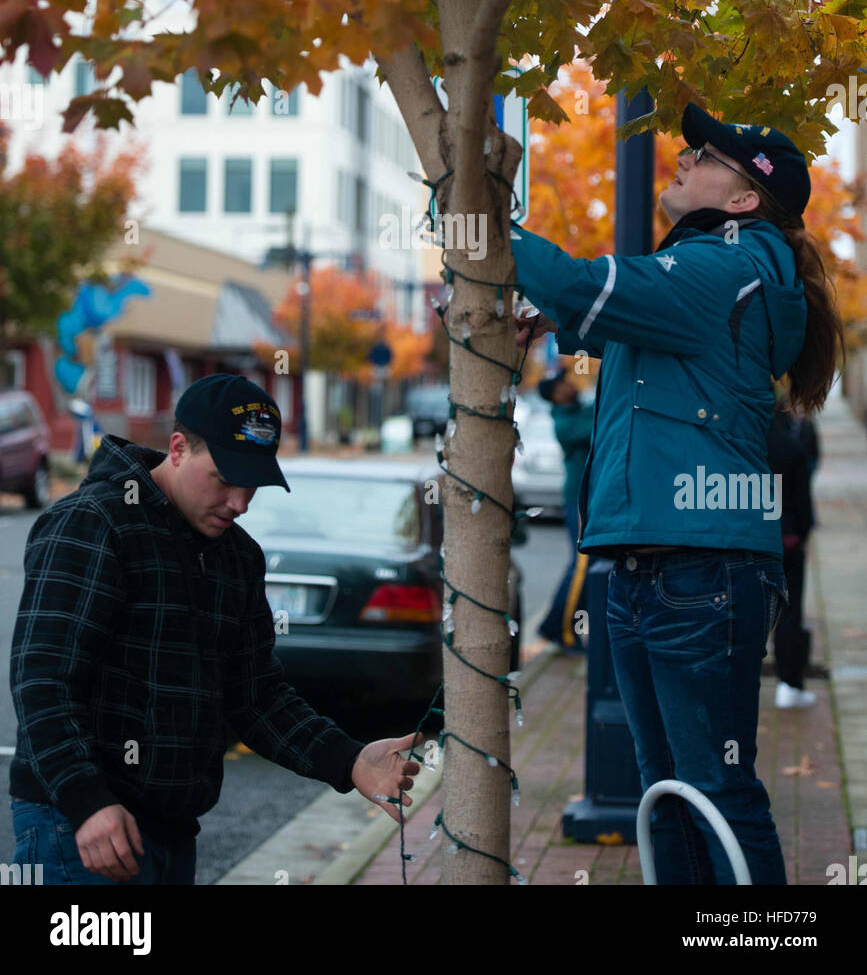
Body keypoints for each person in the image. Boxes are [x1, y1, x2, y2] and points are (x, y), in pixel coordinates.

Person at [512, 103, 844, 885]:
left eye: (703, 156)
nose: (682, 159)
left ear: (741, 201)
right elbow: (584, 311)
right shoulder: (708, 270)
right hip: (648, 567)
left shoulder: (726, 267)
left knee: (716, 791)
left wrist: (473, 220)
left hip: (702, 572)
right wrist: (535, 316)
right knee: (668, 796)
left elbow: (576, 282)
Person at [9, 373, 420, 885]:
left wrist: (351, 760)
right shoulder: (93, 523)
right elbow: (43, 683)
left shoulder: (237, 556)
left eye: (252, 484)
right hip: (77, 828)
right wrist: (86, 802)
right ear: (178, 449)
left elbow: (256, 697)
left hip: (174, 832)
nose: (240, 502)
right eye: (225, 479)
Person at [766, 390, 821, 708]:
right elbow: (801, 501)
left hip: (746, 540)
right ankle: (789, 683)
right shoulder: (790, 446)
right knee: (789, 612)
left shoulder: (738, 443)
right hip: (786, 539)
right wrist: (801, 533)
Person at [535, 368, 594, 651]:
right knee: (581, 565)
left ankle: (553, 625)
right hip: (580, 499)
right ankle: (560, 630)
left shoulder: (578, 411)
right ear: (555, 396)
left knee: (586, 565)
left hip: (588, 498)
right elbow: (600, 417)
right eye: (563, 384)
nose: (570, 385)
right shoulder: (566, 425)